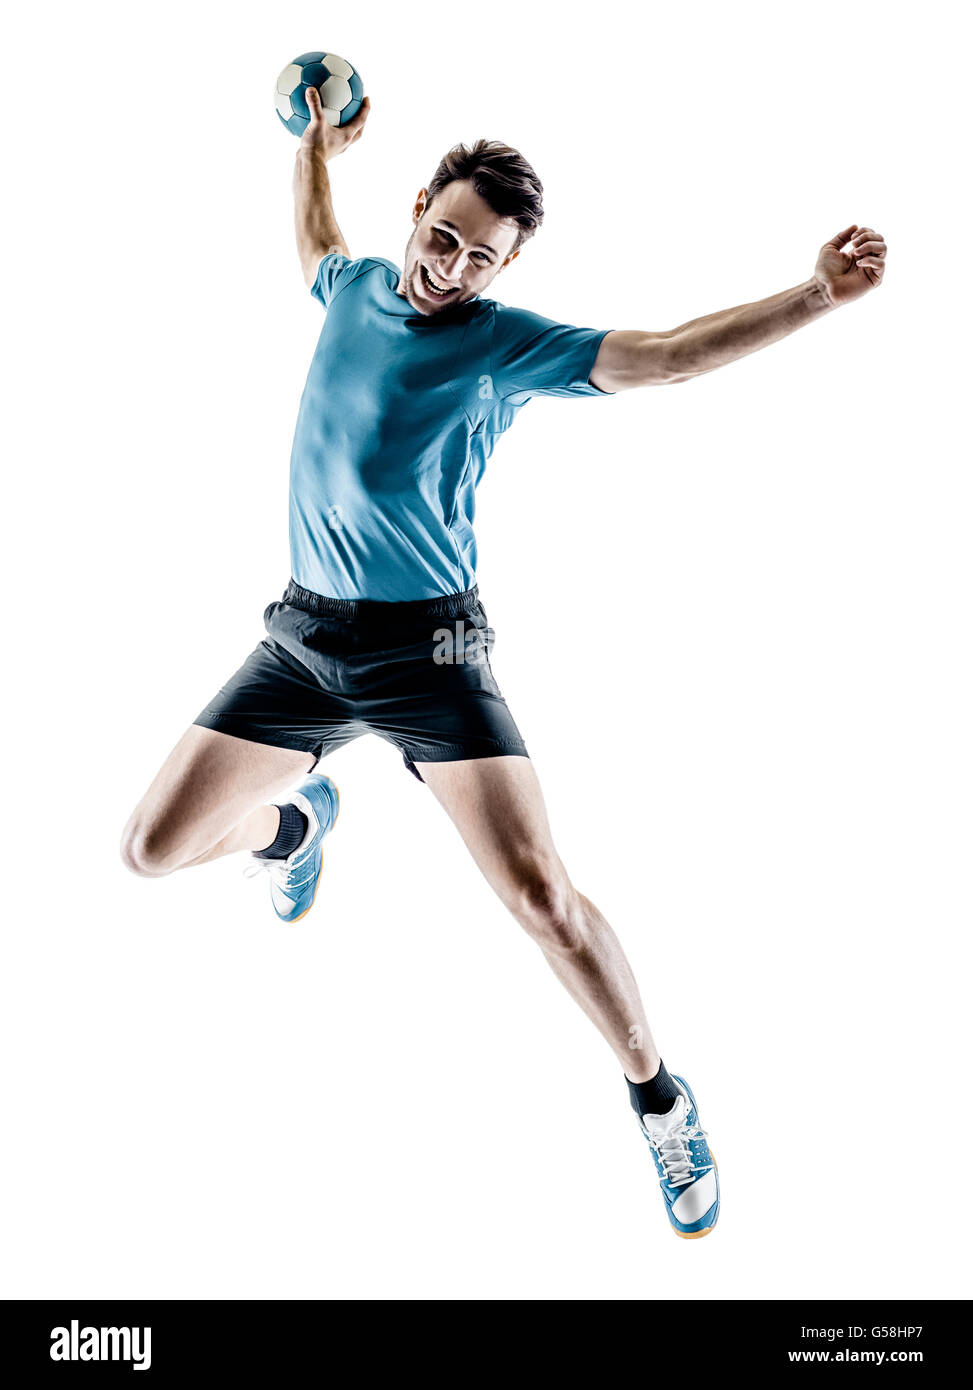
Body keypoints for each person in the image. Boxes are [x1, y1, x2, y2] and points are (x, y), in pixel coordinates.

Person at [120, 84, 886, 1239]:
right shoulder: (351, 286)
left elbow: (670, 356)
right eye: (440, 238)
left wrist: (817, 294)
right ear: (416, 208)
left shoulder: (503, 349)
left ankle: (660, 1094)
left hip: (430, 653)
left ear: (507, 266)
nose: (450, 269)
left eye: (482, 259)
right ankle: (296, 823)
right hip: (301, 639)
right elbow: (320, 235)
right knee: (150, 846)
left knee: (541, 898)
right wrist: (315, 148)